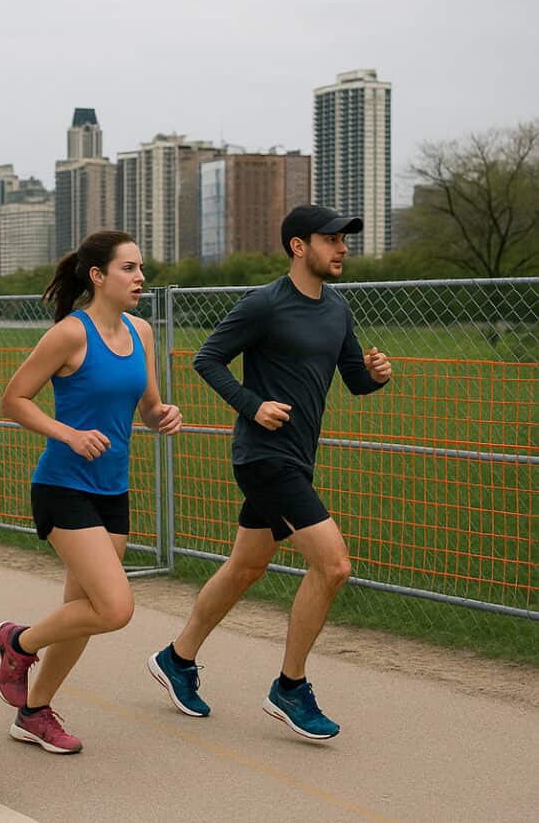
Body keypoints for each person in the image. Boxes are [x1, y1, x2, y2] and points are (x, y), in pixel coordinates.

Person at [147, 205, 392, 740]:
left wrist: (376, 375)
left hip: (298, 457)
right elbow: (207, 359)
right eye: (331, 239)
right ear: (298, 247)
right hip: (263, 457)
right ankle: (290, 687)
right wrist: (252, 406)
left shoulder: (337, 309)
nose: (342, 248)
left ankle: (176, 658)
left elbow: (354, 380)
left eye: (344, 240)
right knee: (334, 567)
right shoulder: (264, 304)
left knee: (245, 568)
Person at [0, 230, 182, 753]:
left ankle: (33, 713)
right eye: (128, 268)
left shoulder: (142, 332)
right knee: (115, 607)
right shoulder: (70, 335)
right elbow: (15, 400)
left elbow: (147, 406)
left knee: (84, 612)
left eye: (141, 267)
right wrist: (68, 433)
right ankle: (18, 641)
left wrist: (162, 416)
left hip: (111, 489)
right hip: (62, 486)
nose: (140, 276)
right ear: (98, 276)